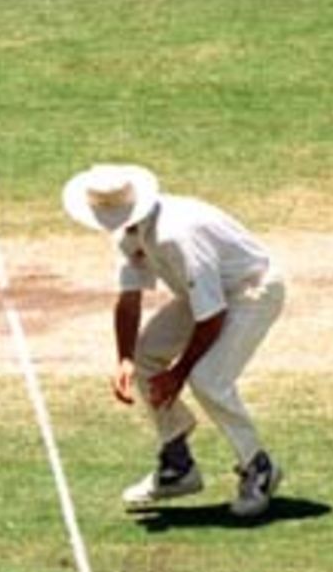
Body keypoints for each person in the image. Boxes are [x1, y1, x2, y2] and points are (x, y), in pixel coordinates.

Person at [61, 163, 285, 518]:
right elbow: (129, 297)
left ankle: (259, 466)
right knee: (143, 356)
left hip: (251, 291)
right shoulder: (128, 231)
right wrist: (124, 359)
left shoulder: (176, 235)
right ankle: (177, 464)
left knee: (208, 380)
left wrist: (178, 374)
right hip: (206, 293)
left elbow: (211, 317)